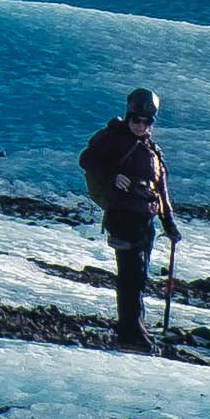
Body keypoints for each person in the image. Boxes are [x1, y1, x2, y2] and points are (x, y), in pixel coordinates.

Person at [80, 89, 178, 347]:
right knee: (130, 276)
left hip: (145, 220)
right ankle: (130, 332)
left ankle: (135, 328)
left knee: (138, 275)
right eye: (136, 120)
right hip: (122, 216)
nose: (141, 126)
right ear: (128, 116)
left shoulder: (152, 150)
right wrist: (113, 175)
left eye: (147, 122)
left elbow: (161, 187)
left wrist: (169, 222)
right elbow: (87, 159)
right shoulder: (113, 138)